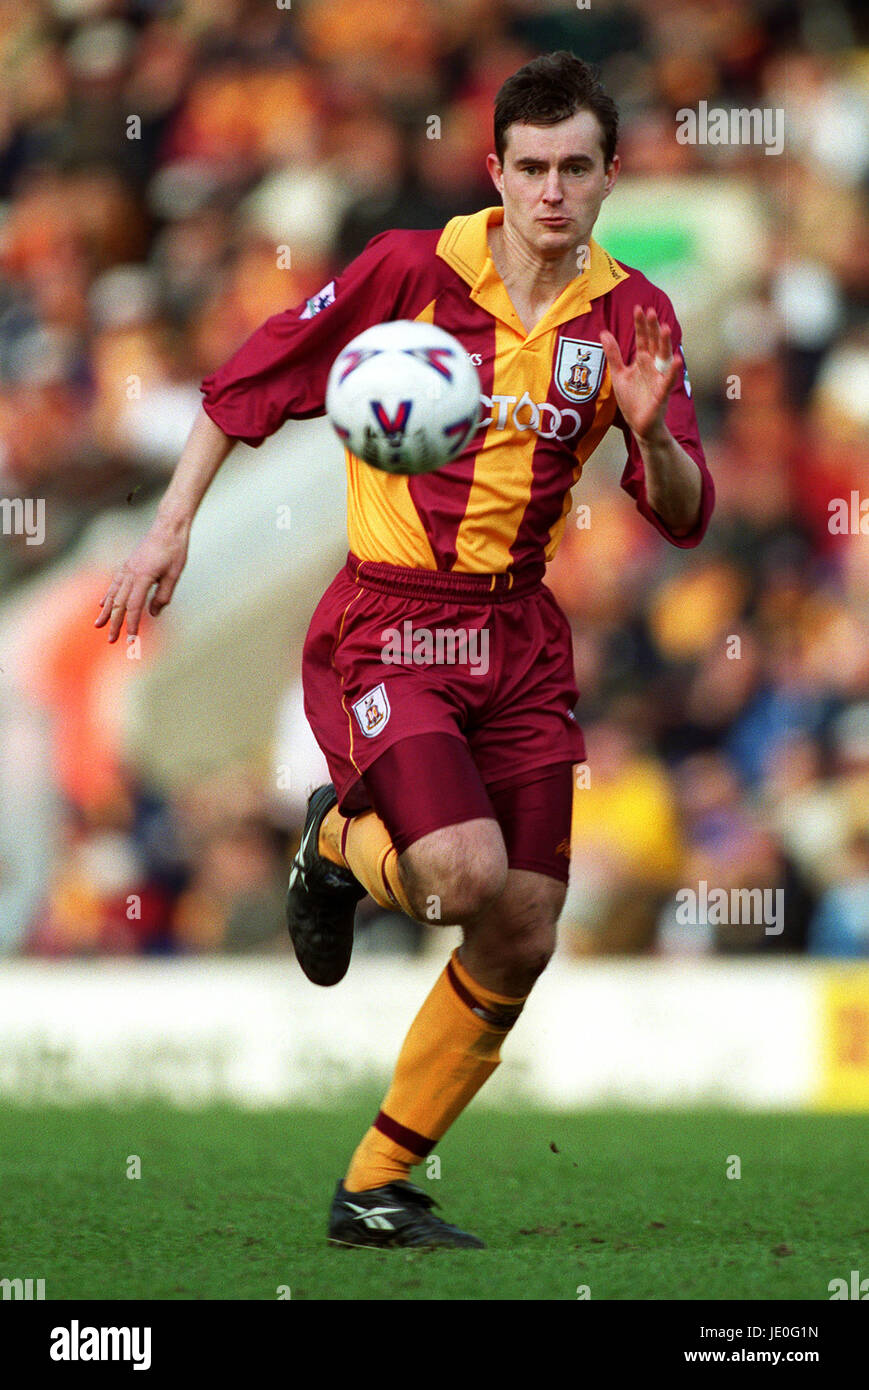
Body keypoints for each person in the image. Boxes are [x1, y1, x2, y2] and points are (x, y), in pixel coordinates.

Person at [96, 51, 714, 1248]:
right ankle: (333, 844)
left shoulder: (634, 316)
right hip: (392, 620)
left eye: (574, 168)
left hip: (521, 633)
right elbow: (248, 381)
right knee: (461, 877)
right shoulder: (413, 268)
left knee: (525, 921)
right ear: (494, 170)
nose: (550, 191)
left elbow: (683, 515)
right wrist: (168, 527)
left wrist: (654, 437)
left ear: (608, 177)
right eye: (528, 167)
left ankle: (374, 1186)